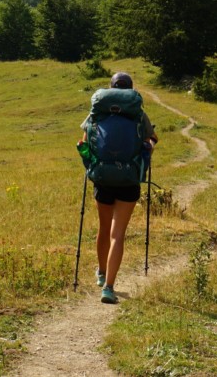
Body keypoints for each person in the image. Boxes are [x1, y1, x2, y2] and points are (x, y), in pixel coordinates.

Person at [81, 71, 157, 304]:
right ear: (130, 89)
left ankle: (101, 272)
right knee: (118, 234)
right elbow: (151, 140)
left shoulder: (98, 113)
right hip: (128, 180)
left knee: (104, 229)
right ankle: (109, 287)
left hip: (103, 178)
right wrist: (148, 146)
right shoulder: (138, 114)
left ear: (111, 88)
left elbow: (83, 142)